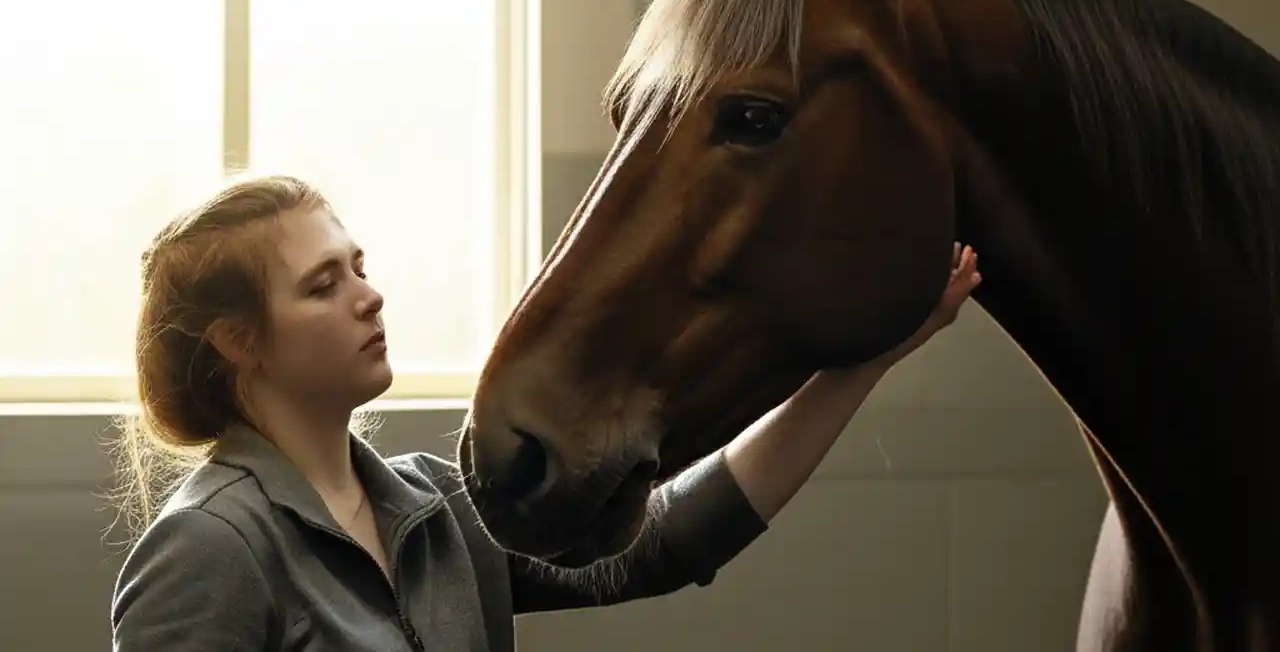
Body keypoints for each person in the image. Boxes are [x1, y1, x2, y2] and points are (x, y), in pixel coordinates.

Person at [108, 174, 981, 651]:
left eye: (359, 265)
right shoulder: (208, 548)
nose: (369, 298)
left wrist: (859, 363)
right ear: (237, 341)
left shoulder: (437, 510)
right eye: (321, 286)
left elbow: (669, 542)